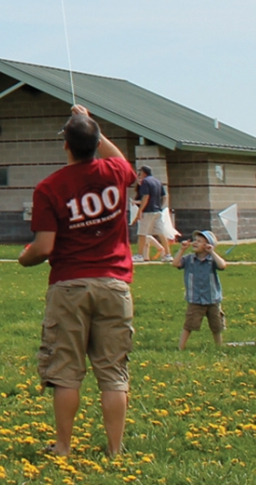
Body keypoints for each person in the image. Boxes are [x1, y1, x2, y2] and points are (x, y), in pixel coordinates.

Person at [19, 105, 138, 457]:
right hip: (115, 285)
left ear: (65, 146)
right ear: (97, 142)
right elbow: (121, 160)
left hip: (70, 285)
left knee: (66, 371)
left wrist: (24, 258)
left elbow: (43, 247)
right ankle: (115, 450)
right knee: (113, 372)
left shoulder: (49, 187)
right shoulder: (116, 172)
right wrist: (92, 125)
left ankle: (64, 446)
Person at [170, 230, 228, 351]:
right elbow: (175, 263)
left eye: (199, 241)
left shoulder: (212, 261)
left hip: (212, 299)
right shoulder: (189, 259)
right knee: (189, 324)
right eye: (195, 240)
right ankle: (181, 347)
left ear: (207, 245)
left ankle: (219, 346)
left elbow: (222, 265)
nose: (195, 243)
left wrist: (212, 252)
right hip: (195, 299)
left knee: (216, 325)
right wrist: (182, 250)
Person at [134, 166, 174, 261]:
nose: (139, 175)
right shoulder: (157, 182)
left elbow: (146, 197)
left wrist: (140, 211)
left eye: (140, 173)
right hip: (157, 211)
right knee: (161, 233)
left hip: (148, 211)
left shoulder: (145, 182)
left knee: (142, 233)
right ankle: (168, 255)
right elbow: (164, 196)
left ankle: (139, 255)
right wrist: (161, 207)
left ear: (143, 173)